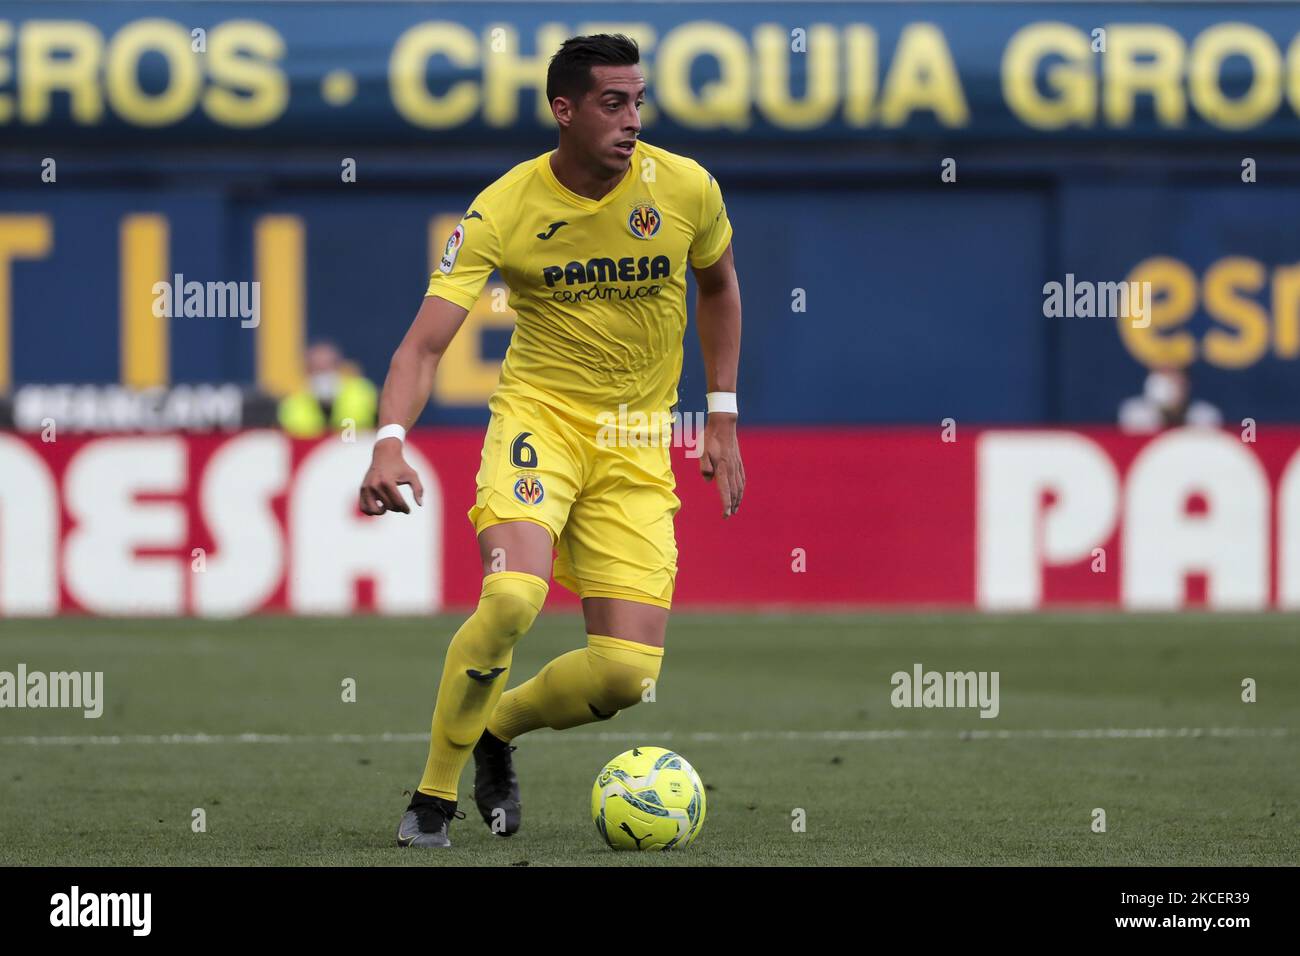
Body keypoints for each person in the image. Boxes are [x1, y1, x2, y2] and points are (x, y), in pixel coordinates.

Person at [358, 34, 745, 848]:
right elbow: (423, 347)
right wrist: (389, 440)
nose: (632, 119)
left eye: (638, 101)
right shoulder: (503, 207)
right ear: (562, 110)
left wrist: (722, 411)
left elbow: (718, 286)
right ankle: (433, 799)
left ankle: (496, 729)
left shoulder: (685, 188)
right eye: (613, 103)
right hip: (541, 422)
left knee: (625, 678)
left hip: (637, 439)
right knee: (512, 599)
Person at [277, 340, 377, 437]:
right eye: (316, 369)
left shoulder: (360, 392)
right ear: (306, 372)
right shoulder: (294, 402)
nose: (323, 375)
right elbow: (297, 432)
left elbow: (359, 425)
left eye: (327, 368)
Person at [1118, 367, 1222, 433]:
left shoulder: (1205, 415)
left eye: (1176, 381)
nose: (1169, 387)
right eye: (1165, 381)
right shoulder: (1134, 412)